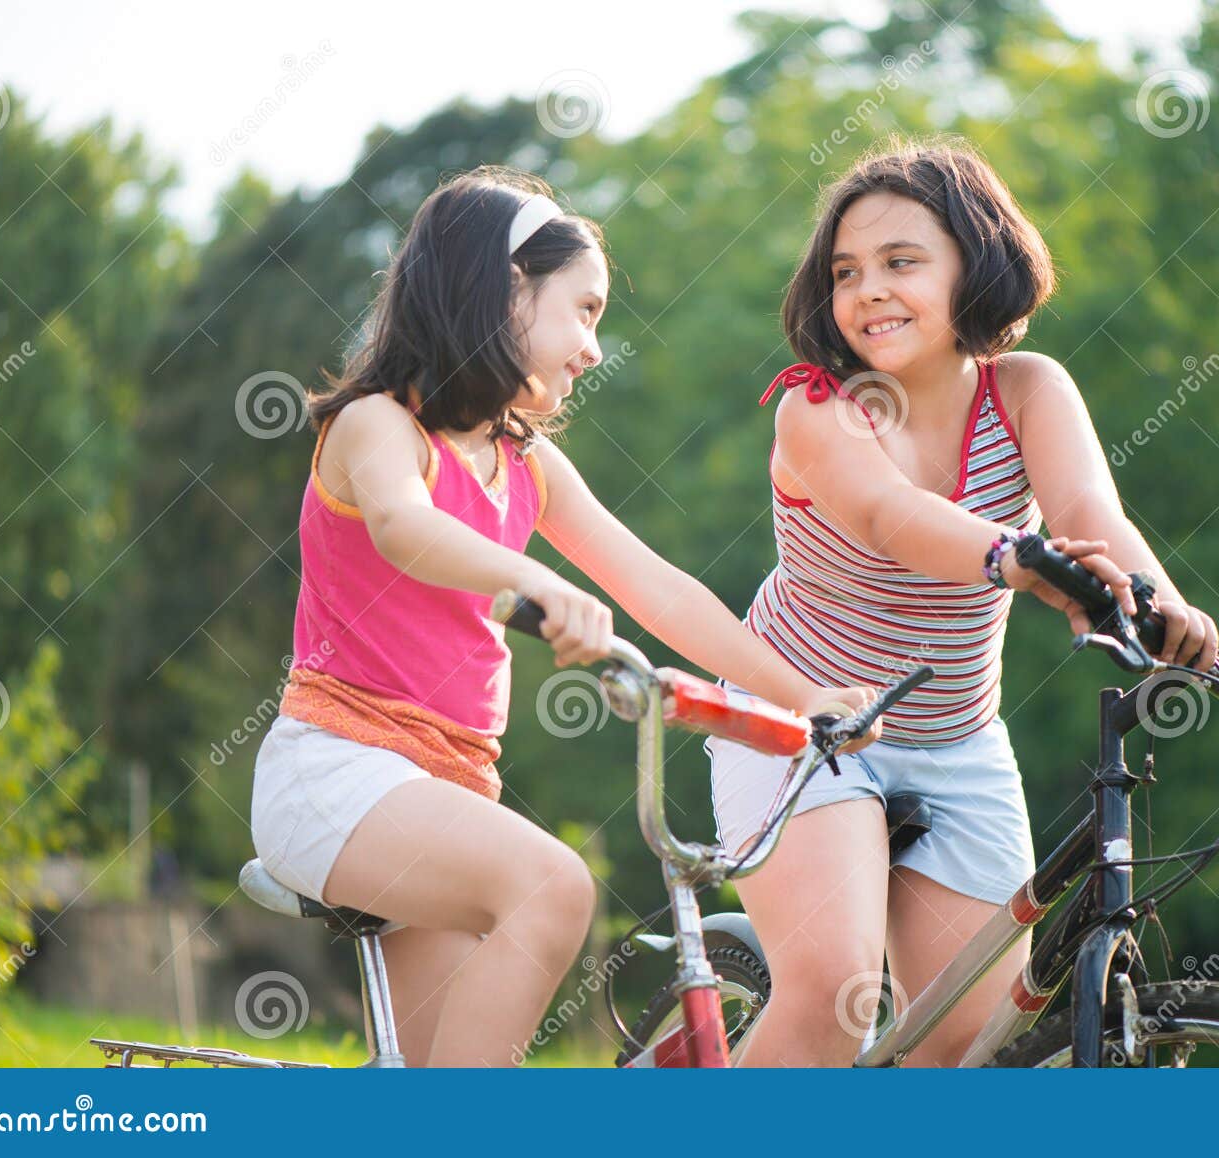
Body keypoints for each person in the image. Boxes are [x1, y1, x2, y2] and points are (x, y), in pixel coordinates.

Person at [248, 167, 874, 1067]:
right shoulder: (376, 426)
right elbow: (403, 527)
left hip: (449, 789)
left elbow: (656, 588)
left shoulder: (526, 464)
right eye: (583, 310)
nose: (593, 345)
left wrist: (801, 697)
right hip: (337, 772)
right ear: (505, 289)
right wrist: (542, 587)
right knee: (555, 890)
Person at [708, 139, 1219, 1066]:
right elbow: (887, 513)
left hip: (956, 740)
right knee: (832, 993)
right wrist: (1013, 559)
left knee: (964, 1045)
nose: (868, 290)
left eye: (902, 263)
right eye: (846, 272)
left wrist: (1163, 604)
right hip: (801, 721)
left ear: (976, 268)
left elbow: (1090, 516)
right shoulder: (818, 407)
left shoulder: (1027, 390)